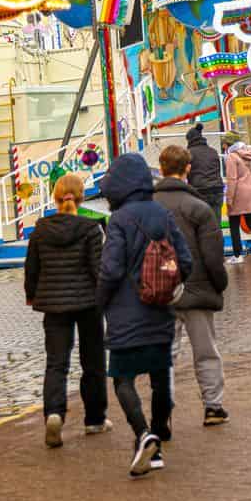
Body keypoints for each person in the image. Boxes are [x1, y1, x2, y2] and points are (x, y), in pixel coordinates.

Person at [97, 152, 195, 477]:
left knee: (123, 379)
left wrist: (101, 302)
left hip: (126, 315)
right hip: (160, 311)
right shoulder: (162, 214)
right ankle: (157, 446)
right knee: (159, 377)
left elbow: (110, 270)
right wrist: (169, 285)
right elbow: (186, 260)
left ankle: (143, 434)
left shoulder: (119, 220)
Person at [25, 171, 109, 447]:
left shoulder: (40, 229)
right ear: (82, 196)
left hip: (54, 304)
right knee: (93, 362)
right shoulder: (91, 228)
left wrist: (32, 295)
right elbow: (98, 270)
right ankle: (95, 419)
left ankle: (54, 413)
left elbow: (32, 268)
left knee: (56, 363)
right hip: (88, 303)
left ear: (56, 196)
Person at [153, 144, 231, 427]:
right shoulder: (199, 208)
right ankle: (213, 406)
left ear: (161, 168)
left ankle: (163, 410)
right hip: (197, 290)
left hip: (160, 290)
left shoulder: (148, 207)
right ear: (188, 169)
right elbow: (213, 255)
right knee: (206, 351)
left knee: (165, 355)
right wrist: (218, 284)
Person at [184, 123, 226, 215]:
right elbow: (218, 171)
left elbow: (187, 173)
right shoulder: (213, 151)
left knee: (202, 225)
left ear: (190, 140)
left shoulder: (189, 153)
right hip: (217, 191)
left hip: (200, 191)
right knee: (215, 225)